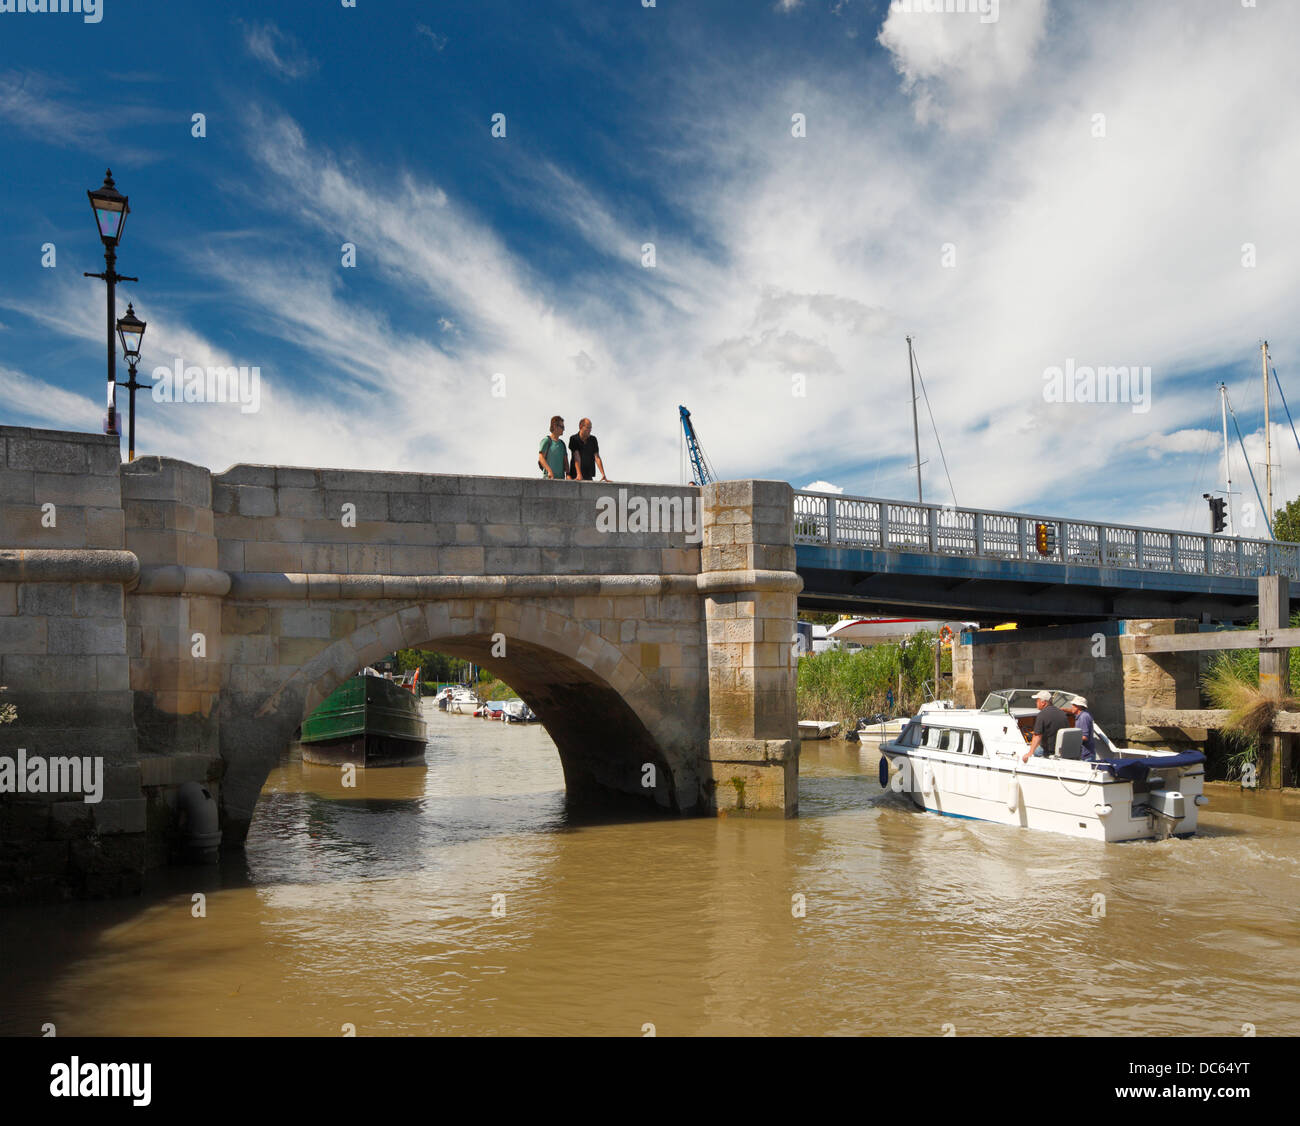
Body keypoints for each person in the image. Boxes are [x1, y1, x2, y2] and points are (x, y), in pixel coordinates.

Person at [1021, 689, 1069, 763]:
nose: (1036, 703)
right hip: (1062, 750)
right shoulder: (1062, 713)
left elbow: (1037, 736)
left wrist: (1030, 753)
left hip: (1049, 751)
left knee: (1032, 751)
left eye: (1037, 701)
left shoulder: (1042, 715)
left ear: (1043, 702)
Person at [538, 416, 568, 481]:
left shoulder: (562, 444)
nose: (564, 429)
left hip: (561, 481)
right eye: (562, 427)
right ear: (555, 426)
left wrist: (568, 475)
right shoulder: (547, 441)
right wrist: (549, 471)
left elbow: (565, 461)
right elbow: (541, 457)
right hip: (548, 480)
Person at [1068, 696, 1097, 761]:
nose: (1071, 707)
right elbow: (1071, 711)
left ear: (1079, 706)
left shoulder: (1083, 717)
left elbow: (1085, 737)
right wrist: (1062, 709)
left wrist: (1069, 739)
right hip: (1085, 755)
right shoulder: (1083, 714)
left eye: (1073, 705)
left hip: (1086, 756)